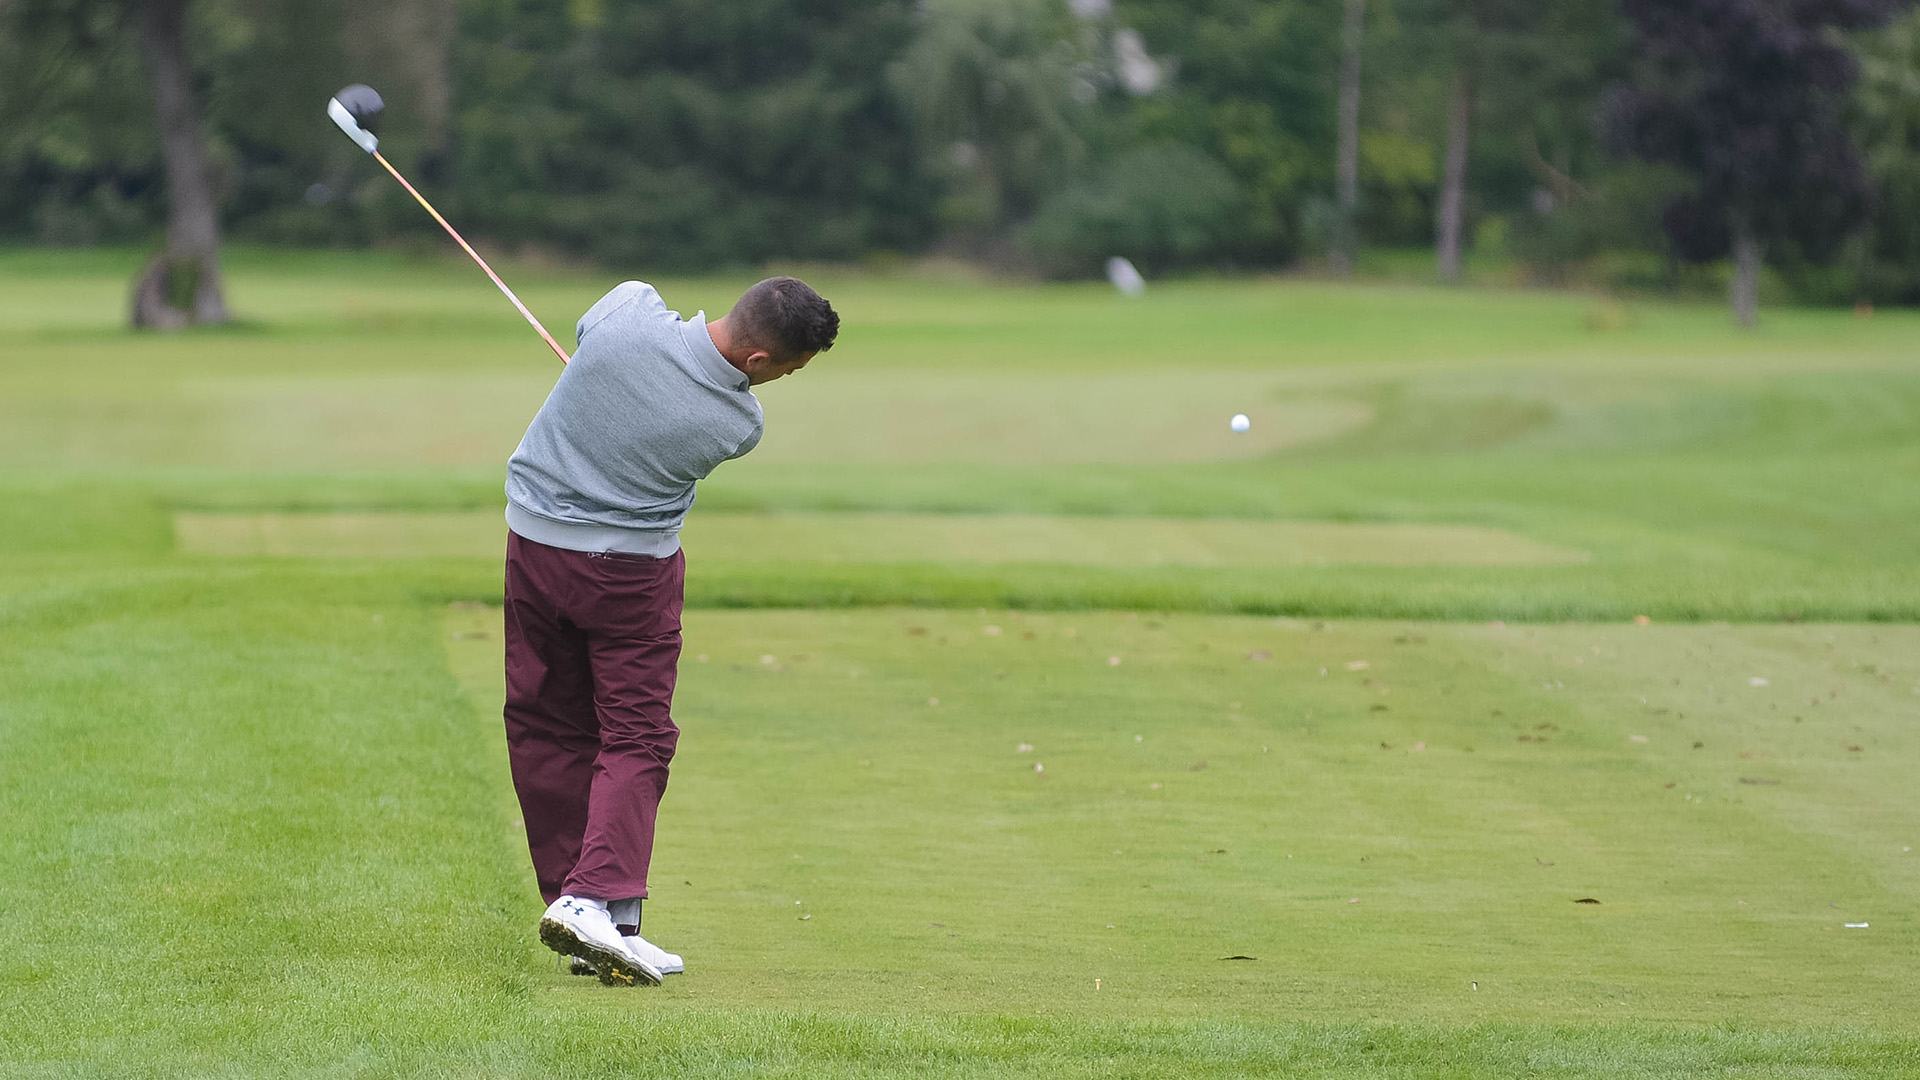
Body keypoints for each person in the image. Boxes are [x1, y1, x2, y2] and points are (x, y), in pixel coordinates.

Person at [501, 276, 838, 985]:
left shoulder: (628, 310)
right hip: (628, 579)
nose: (780, 381)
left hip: (533, 549)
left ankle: (604, 919)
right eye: (787, 369)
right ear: (757, 361)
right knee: (637, 735)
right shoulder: (738, 426)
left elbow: (601, 340)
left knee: (548, 725)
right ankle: (590, 901)